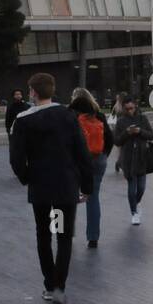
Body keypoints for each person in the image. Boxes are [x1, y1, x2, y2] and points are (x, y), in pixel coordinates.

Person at [8, 72, 93, 304]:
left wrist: (26, 178)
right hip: (66, 186)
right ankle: (59, 286)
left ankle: (48, 284)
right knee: (64, 237)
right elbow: (82, 154)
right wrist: (87, 186)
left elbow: (16, 159)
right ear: (52, 90)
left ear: (33, 92)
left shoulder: (22, 120)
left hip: (41, 187)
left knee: (43, 235)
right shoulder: (67, 116)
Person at [69, 88, 114, 248]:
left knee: (69, 198)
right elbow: (110, 139)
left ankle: (68, 234)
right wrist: (103, 156)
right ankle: (93, 237)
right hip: (98, 159)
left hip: (76, 162)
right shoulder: (99, 115)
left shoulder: (71, 115)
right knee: (93, 198)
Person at [112, 95, 153, 225]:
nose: (130, 111)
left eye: (131, 108)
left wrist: (140, 131)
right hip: (128, 158)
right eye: (127, 109)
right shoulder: (121, 121)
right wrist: (127, 133)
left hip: (142, 156)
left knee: (141, 187)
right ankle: (134, 212)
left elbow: (151, 135)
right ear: (124, 109)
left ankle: (137, 203)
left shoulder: (143, 118)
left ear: (135, 106)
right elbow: (117, 140)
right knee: (132, 187)